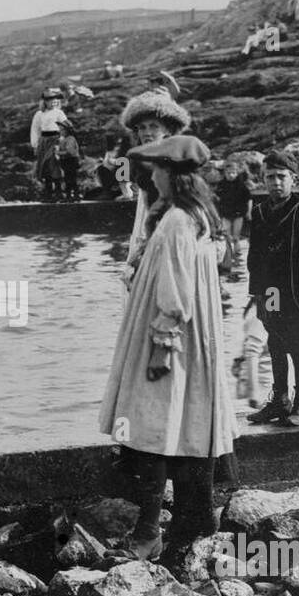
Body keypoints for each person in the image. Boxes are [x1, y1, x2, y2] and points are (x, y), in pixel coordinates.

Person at [98, 135, 236, 567]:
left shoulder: (177, 220)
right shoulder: (199, 216)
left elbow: (174, 293)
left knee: (151, 425)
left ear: (173, 176)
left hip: (170, 341)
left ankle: (148, 530)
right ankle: (191, 524)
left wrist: (161, 347)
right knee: (184, 422)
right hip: (196, 341)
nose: (151, 177)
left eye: (157, 170)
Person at [244, 150, 299, 427]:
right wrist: (256, 293)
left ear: (293, 179)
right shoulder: (259, 212)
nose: (276, 183)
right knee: (275, 343)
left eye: (281, 177)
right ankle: (280, 399)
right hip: (271, 293)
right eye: (270, 177)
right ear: (262, 179)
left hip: (298, 293)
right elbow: (254, 256)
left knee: (298, 347)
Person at [118, 90, 192, 284]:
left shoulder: (177, 159)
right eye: (141, 128)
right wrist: (125, 188)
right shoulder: (134, 154)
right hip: (145, 215)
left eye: (153, 126)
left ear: (167, 129)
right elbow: (122, 166)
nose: (147, 132)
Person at [214, 157, 252, 267]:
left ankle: (238, 256)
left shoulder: (241, 185)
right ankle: (228, 258)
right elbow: (217, 200)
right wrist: (217, 214)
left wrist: (248, 212)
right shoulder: (221, 185)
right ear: (225, 173)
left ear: (237, 173)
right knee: (226, 237)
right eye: (229, 173)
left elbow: (249, 198)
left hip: (238, 214)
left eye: (233, 173)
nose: (231, 175)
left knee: (235, 237)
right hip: (225, 214)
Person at [29, 88, 67, 200]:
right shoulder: (39, 114)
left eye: (54, 99)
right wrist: (35, 145)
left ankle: (59, 191)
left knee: (54, 164)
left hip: (55, 140)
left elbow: (66, 126)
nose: (53, 102)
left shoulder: (59, 113)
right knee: (45, 167)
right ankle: (48, 192)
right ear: (44, 101)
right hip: (44, 141)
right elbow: (35, 129)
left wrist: (63, 140)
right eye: (50, 99)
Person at [56, 118, 83, 202]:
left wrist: (58, 152)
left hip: (70, 161)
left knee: (71, 179)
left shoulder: (70, 139)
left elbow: (70, 152)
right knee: (69, 178)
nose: (61, 131)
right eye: (60, 130)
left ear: (67, 130)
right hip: (66, 161)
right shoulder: (64, 139)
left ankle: (73, 195)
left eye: (62, 130)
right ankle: (71, 195)